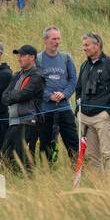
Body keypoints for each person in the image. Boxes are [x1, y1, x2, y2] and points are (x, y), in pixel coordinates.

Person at [76, 33, 110, 173]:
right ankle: (97, 187)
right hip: (85, 116)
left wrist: (109, 111)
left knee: (108, 154)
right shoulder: (84, 65)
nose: (84, 48)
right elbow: (79, 88)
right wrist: (78, 110)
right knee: (92, 156)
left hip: (102, 117)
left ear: (97, 45)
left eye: (87, 45)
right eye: (83, 45)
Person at [31, 26, 79, 167]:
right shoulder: (38, 59)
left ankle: (77, 170)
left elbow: (73, 79)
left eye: (58, 38)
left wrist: (64, 94)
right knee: (46, 143)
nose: (57, 42)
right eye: (54, 39)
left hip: (64, 107)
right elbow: (36, 82)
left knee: (72, 141)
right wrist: (48, 96)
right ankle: (47, 171)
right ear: (46, 40)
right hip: (45, 109)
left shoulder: (66, 58)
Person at [0, 45, 44, 172]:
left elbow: (24, 94)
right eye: (18, 55)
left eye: (22, 55)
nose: (19, 59)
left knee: (25, 160)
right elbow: (4, 97)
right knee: (6, 156)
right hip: (14, 122)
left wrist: (12, 95)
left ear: (32, 58)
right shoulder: (18, 75)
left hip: (28, 122)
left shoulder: (37, 76)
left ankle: (30, 186)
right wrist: (14, 95)